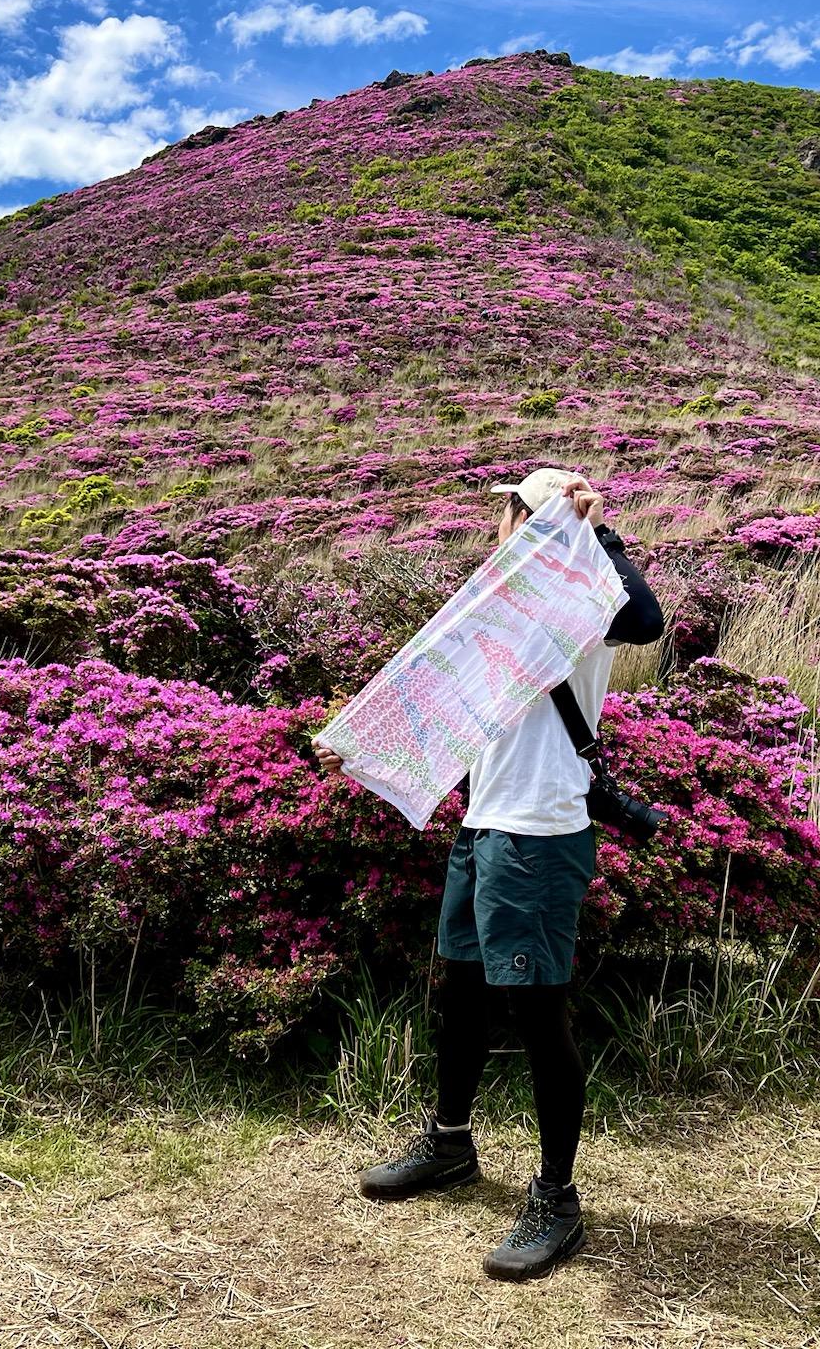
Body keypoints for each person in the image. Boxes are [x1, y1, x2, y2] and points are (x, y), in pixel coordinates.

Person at [316, 467, 664, 1281]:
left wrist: (594, 531)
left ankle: (557, 1198)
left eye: (506, 512)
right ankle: (449, 1143)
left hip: (540, 836)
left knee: (541, 1018)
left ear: (529, 519)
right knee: (460, 992)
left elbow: (646, 620)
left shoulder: (579, 604)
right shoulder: (497, 608)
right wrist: (361, 742)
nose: (493, 526)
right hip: (484, 827)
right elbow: (440, 695)